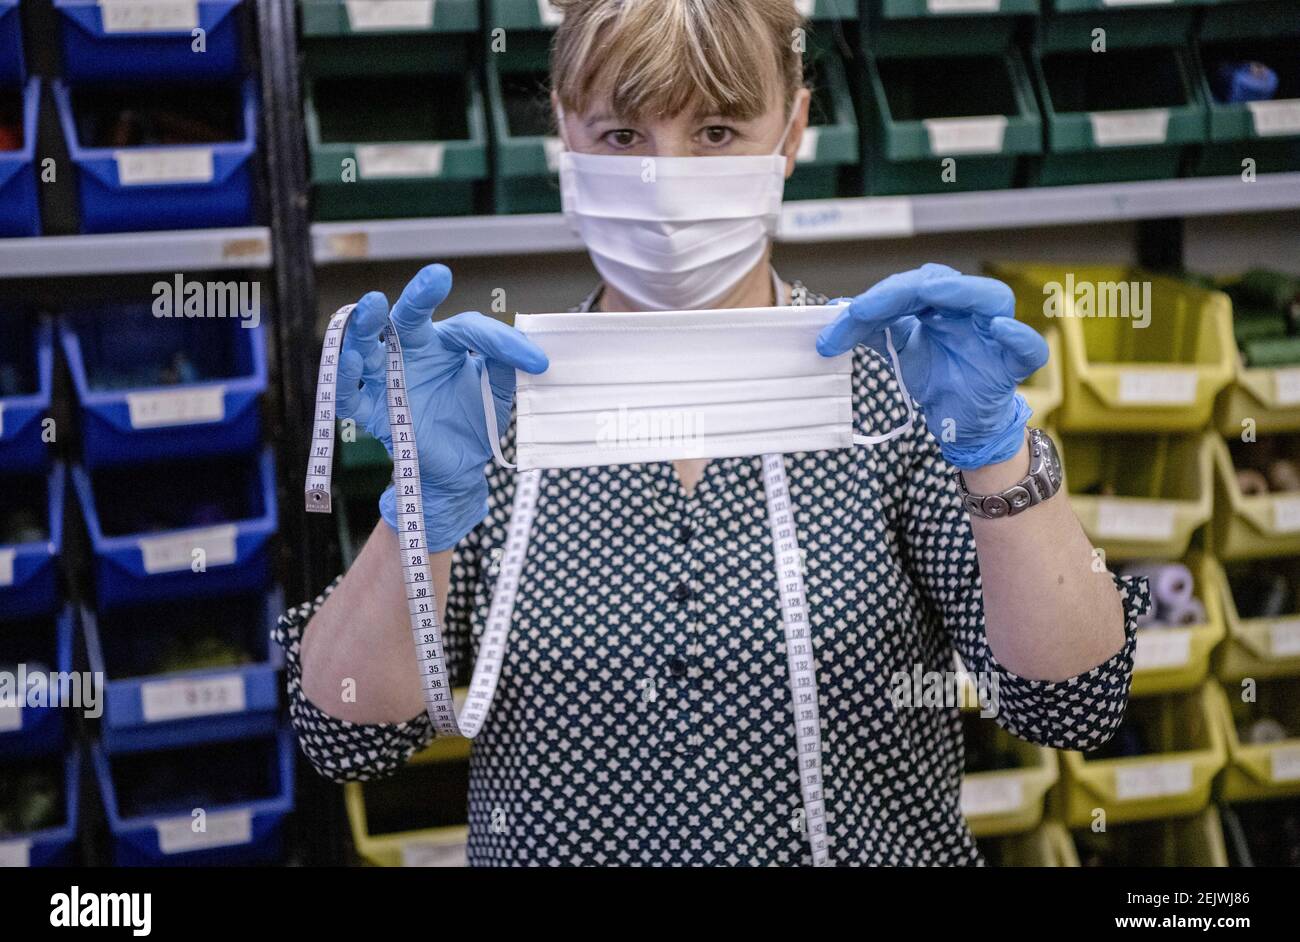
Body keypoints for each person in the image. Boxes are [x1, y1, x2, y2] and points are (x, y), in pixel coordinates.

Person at [276, 0, 1146, 866]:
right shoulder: (495, 405)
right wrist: (422, 508)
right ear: (564, 136)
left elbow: (1071, 707)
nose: (668, 177)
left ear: (794, 128)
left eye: (719, 130)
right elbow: (346, 737)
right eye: (623, 134)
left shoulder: (892, 392)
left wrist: (997, 452)